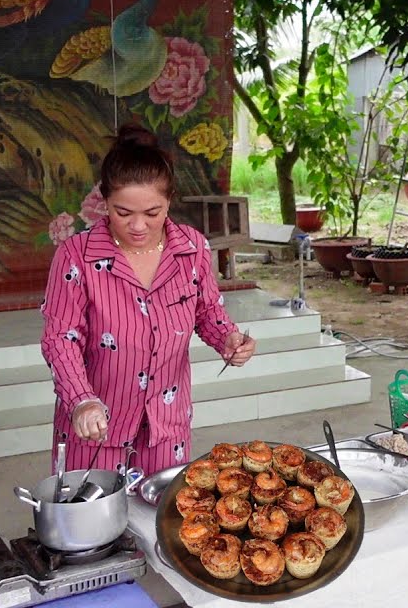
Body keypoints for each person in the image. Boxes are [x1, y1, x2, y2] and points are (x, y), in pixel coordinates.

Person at [41, 125, 256, 475]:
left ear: (169, 201)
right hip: (96, 425)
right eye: (123, 213)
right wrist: (81, 400)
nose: (138, 226)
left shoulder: (191, 249)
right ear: (104, 201)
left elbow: (208, 313)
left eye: (152, 213)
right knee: (89, 520)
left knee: (163, 518)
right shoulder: (77, 256)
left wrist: (229, 339)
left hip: (166, 427)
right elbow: (60, 338)